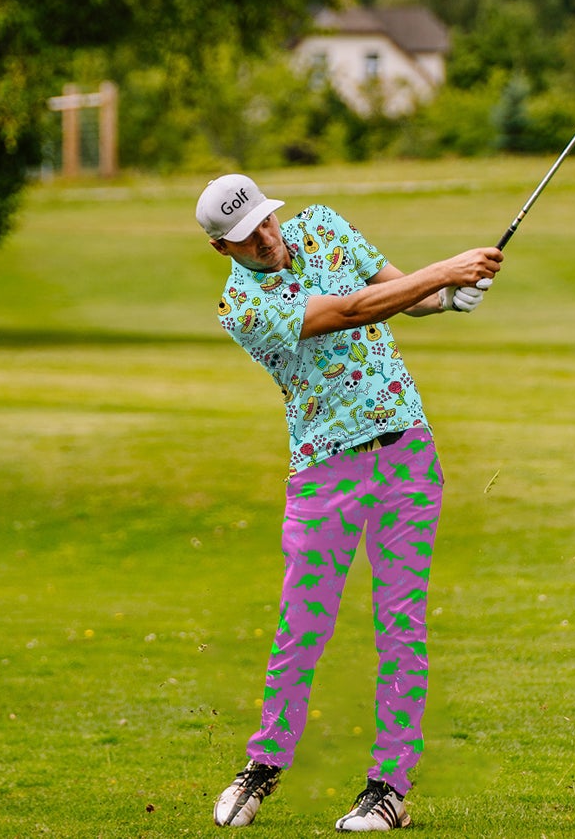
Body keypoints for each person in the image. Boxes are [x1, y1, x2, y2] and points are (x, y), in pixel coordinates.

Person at [194, 174, 502, 832]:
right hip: (324, 470)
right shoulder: (241, 306)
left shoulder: (326, 225)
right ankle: (264, 765)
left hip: (406, 453)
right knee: (300, 628)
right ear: (225, 248)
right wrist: (445, 267)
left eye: (268, 222)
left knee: (401, 628)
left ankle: (389, 787)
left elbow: (405, 297)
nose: (269, 240)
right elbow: (354, 310)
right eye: (250, 238)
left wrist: (449, 296)